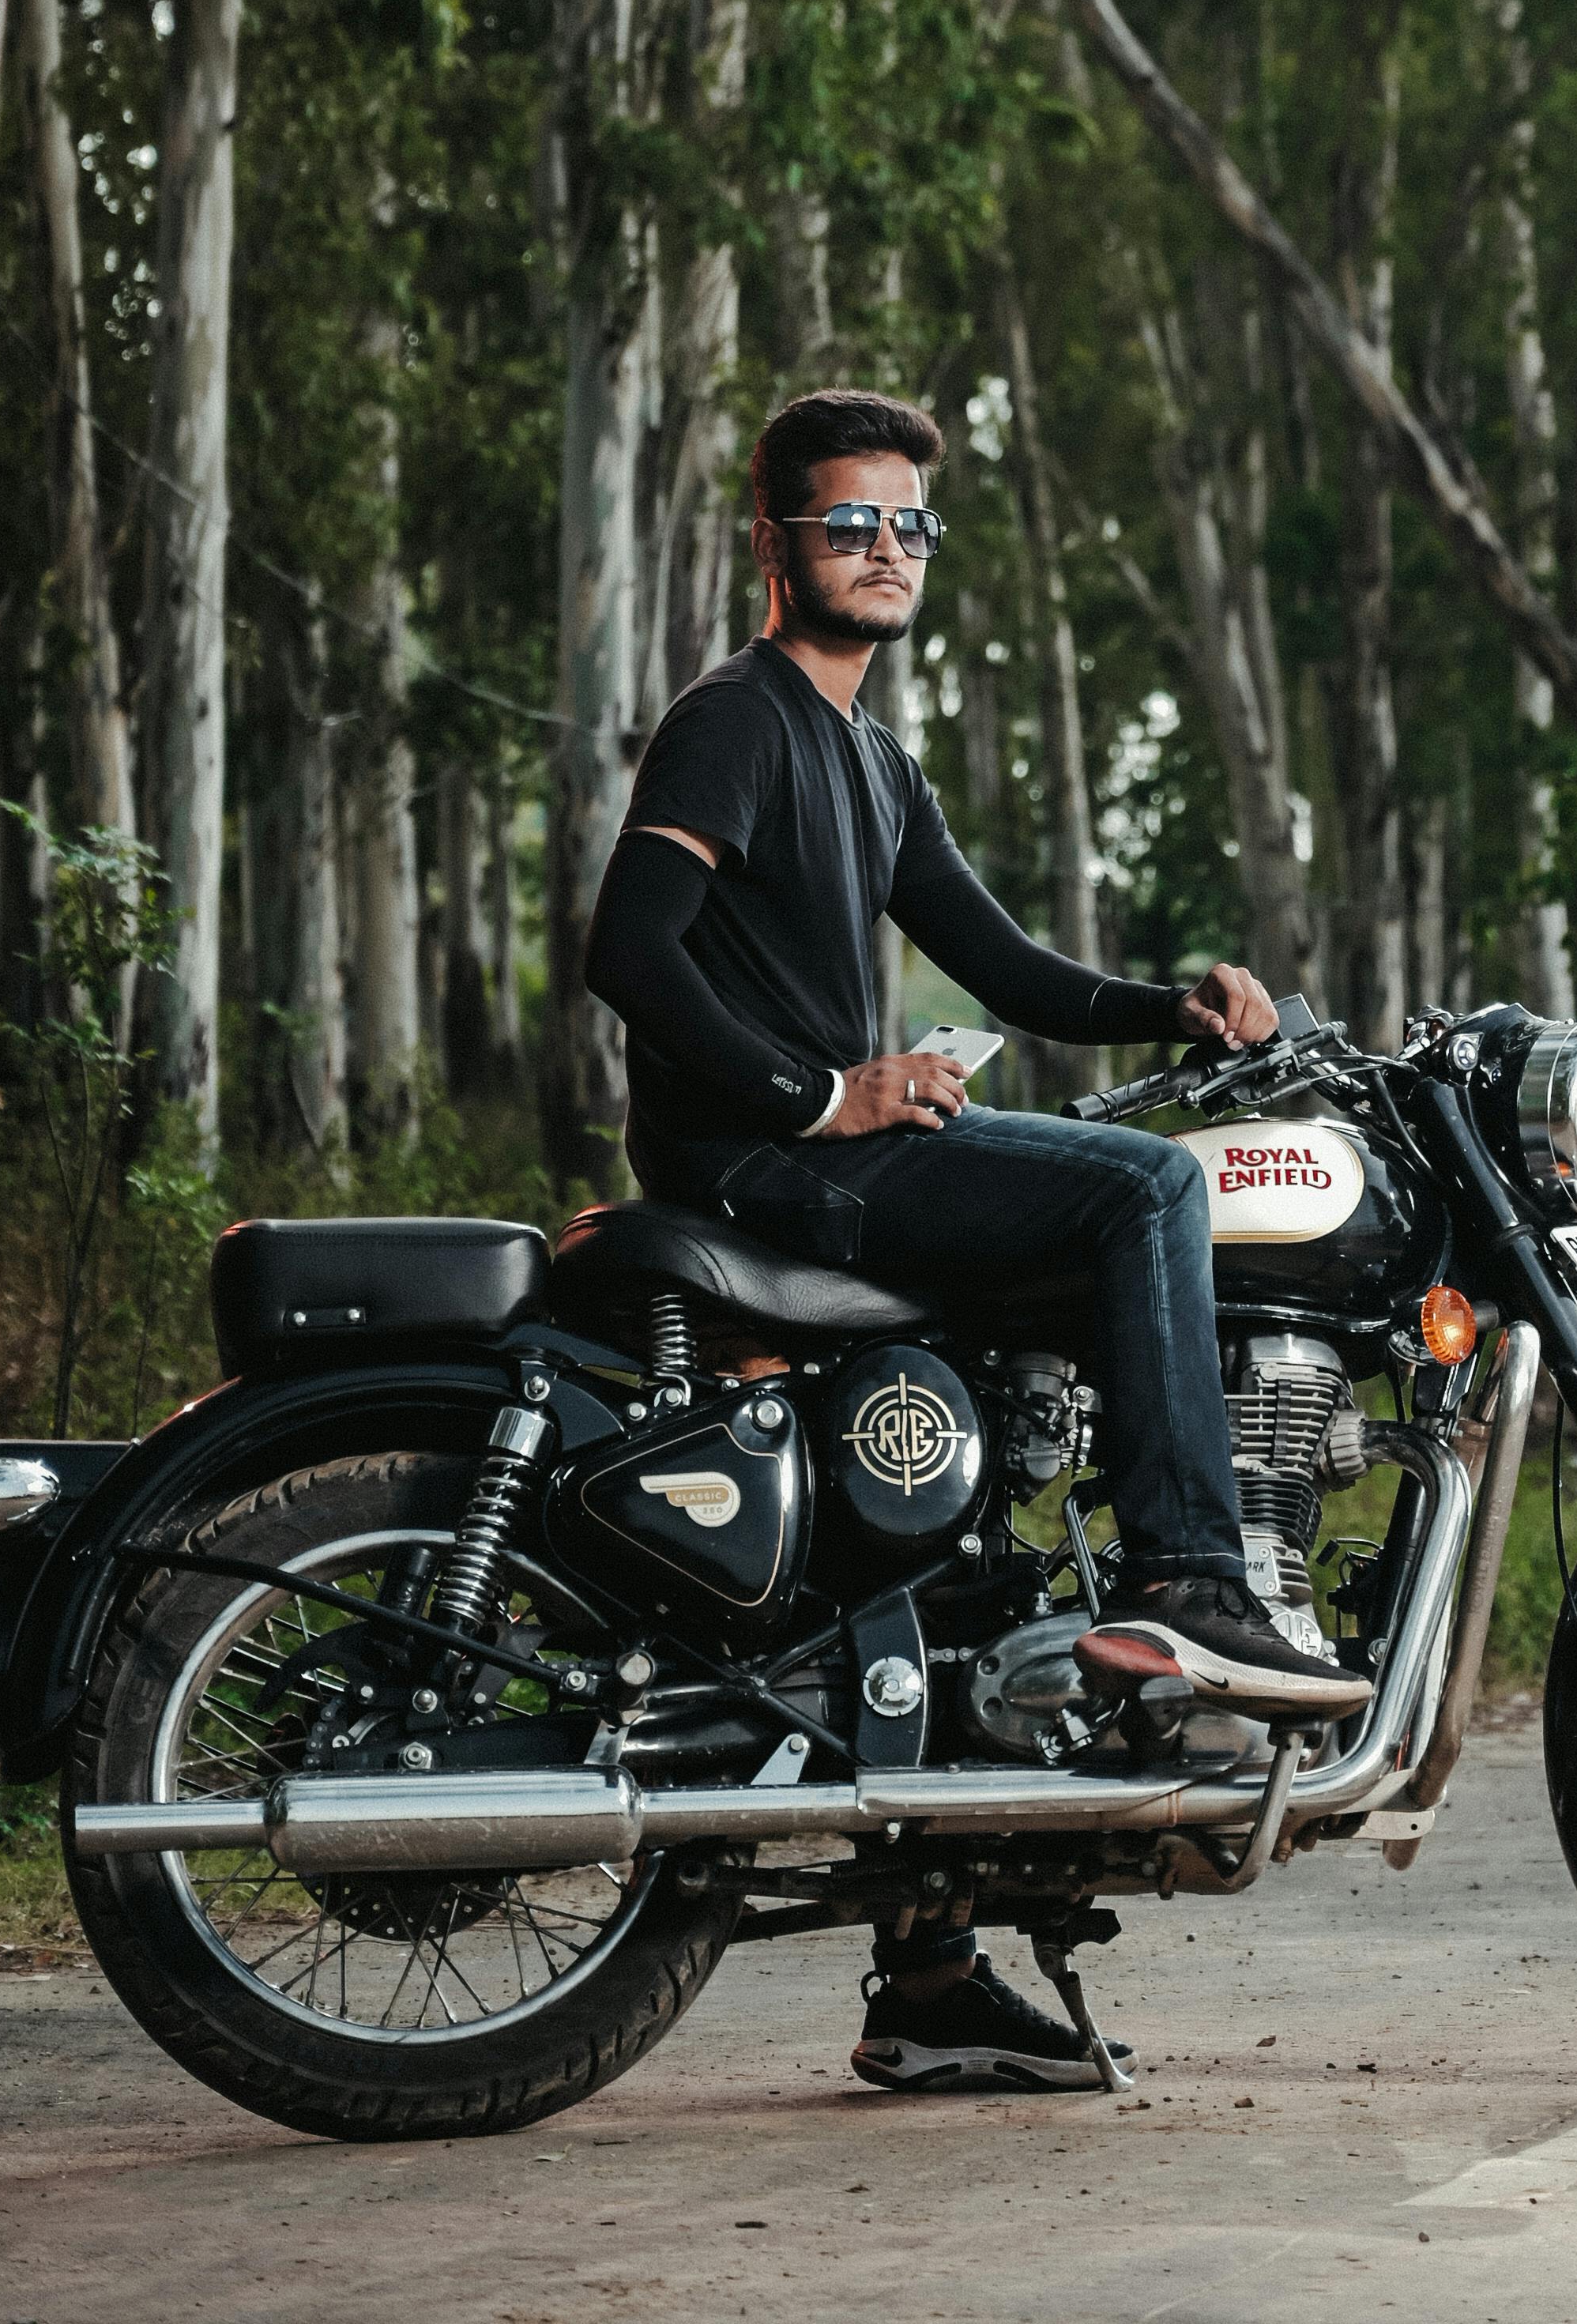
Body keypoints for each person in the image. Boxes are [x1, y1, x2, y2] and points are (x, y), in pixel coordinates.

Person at [583, 380, 1367, 2096]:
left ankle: (928, 1966)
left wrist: (1180, 1009)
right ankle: (1189, 1582)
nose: (883, 550)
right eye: (848, 521)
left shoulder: (869, 757)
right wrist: (816, 1095)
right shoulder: (737, 719)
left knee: (1002, 1387)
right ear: (772, 540)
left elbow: (1007, 974)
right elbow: (630, 950)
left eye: (908, 526)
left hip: (822, 1157)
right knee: (1143, 1195)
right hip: (761, 1171)